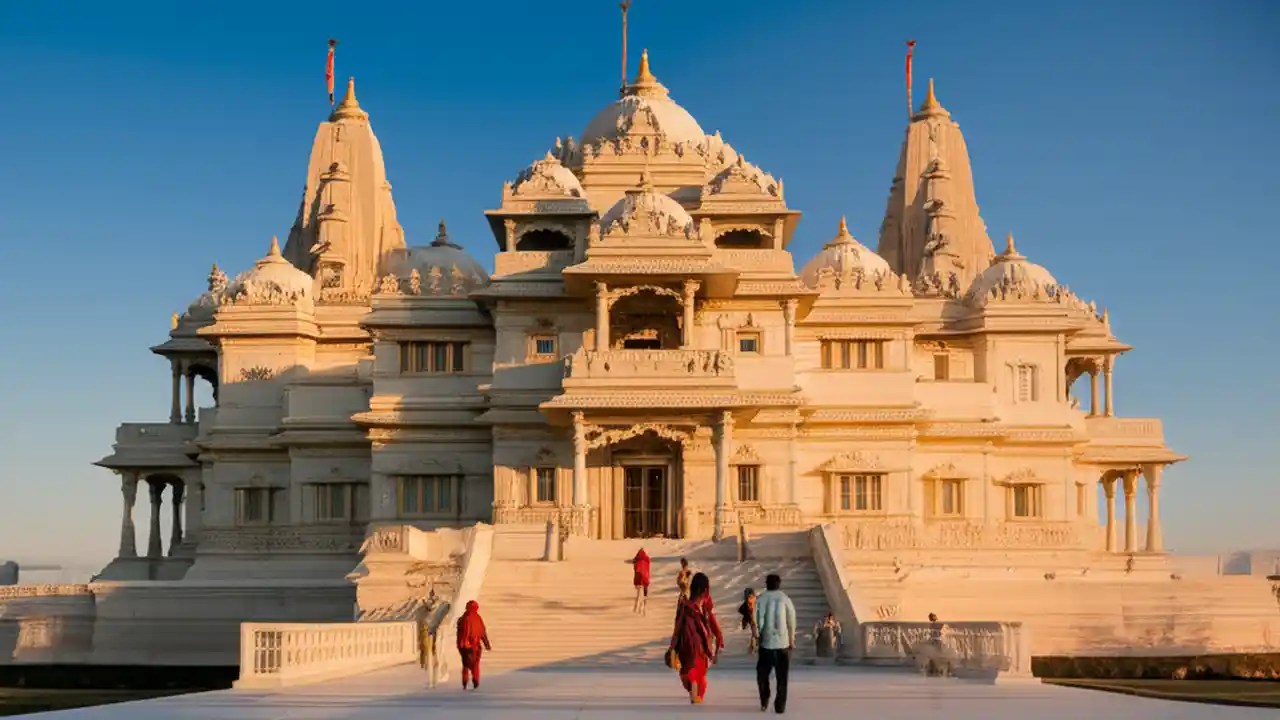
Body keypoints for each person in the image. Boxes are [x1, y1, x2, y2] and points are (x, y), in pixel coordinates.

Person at [669, 572, 724, 704]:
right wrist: (719, 639)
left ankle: (693, 688)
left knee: (690, 671)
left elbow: (678, 625)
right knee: (698, 674)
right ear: (706, 589)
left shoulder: (685, 605)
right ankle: (695, 691)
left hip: (686, 644)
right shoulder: (705, 606)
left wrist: (673, 647)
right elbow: (713, 623)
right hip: (700, 645)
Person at [754, 573, 796, 714]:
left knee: (762, 675)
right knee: (782, 678)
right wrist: (791, 639)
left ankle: (765, 699)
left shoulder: (761, 599)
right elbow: (791, 620)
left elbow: (758, 620)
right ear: (779, 584)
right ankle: (780, 706)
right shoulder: (785, 599)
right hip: (782, 645)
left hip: (766, 644)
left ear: (766, 584)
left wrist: (757, 637)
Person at [455, 600, 491, 690]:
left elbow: (459, 631)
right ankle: (475, 679)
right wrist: (486, 644)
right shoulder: (478, 618)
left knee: (465, 665)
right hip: (476, 645)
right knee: (475, 664)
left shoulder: (463, 618)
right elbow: (482, 632)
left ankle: (465, 681)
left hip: (464, 646)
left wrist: (460, 644)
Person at [738, 588, 759, 655]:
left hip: (752, 618)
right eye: (747, 598)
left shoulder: (757, 604)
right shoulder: (745, 607)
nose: (749, 601)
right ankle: (752, 648)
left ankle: (752, 648)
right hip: (750, 619)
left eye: (751, 597)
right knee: (754, 633)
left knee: (754, 633)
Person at [631, 547, 652, 615]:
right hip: (645, 579)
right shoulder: (647, 559)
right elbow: (647, 569)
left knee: (638, 594)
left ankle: (637, 607)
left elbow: (635, 569)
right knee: (644, 595)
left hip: (639, 579)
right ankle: (643, 608)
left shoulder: (637, 560)